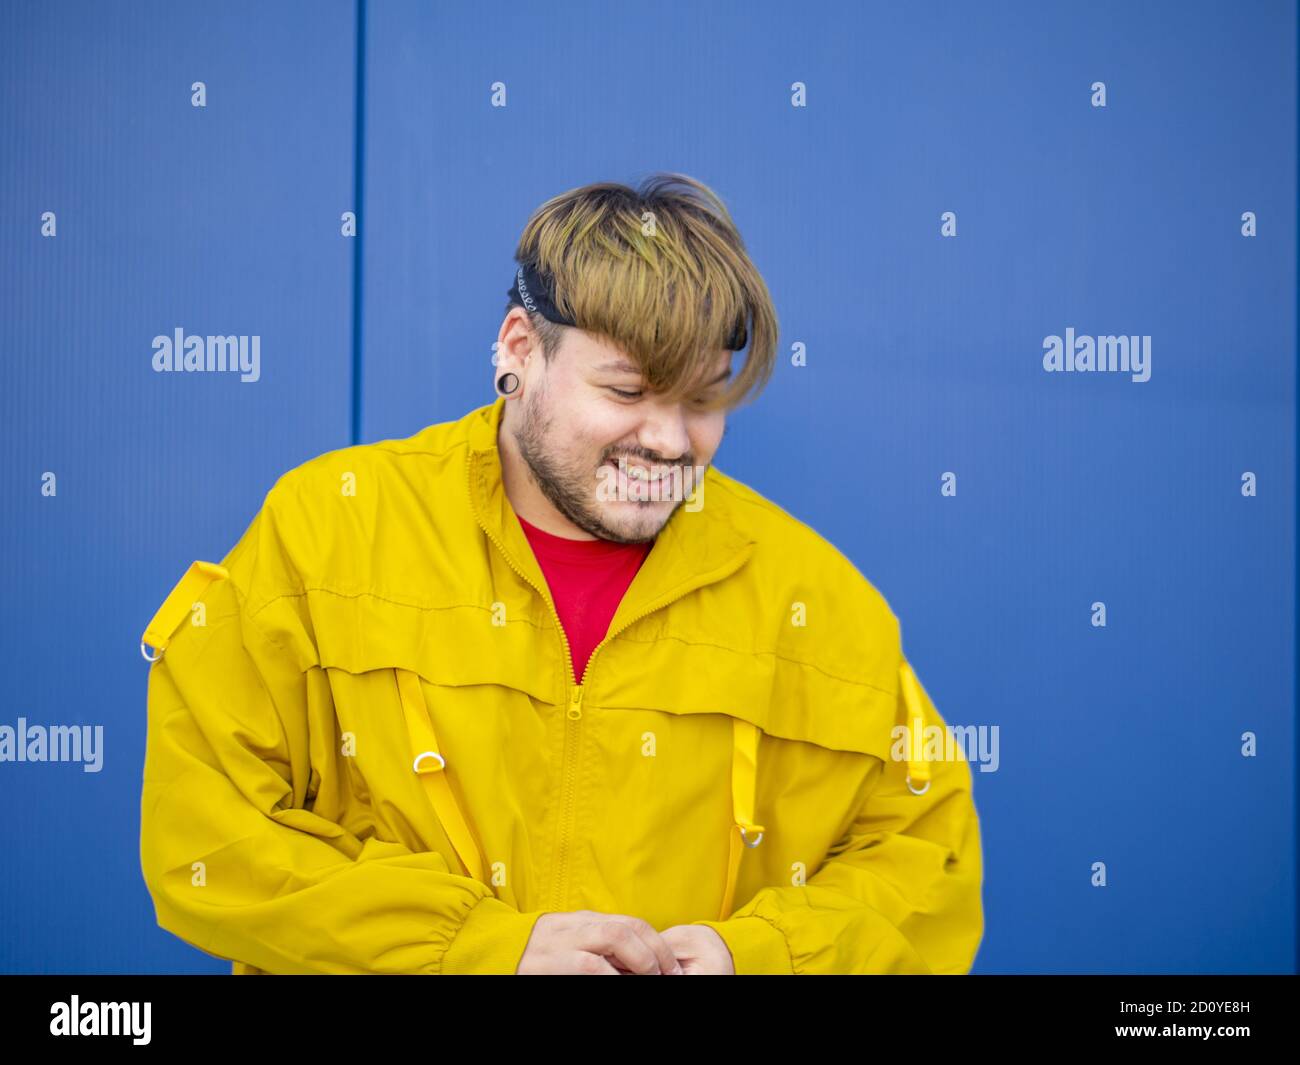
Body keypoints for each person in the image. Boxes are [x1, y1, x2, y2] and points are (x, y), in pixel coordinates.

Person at [139, 173, 984, 975]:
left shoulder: (816, 598)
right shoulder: (327, 532)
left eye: (703, 399)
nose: (668, 439)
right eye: (626, 390)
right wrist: (479, 950)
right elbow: (205, 834)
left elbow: (928, 864)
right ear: (519, 352)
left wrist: (760, 956)